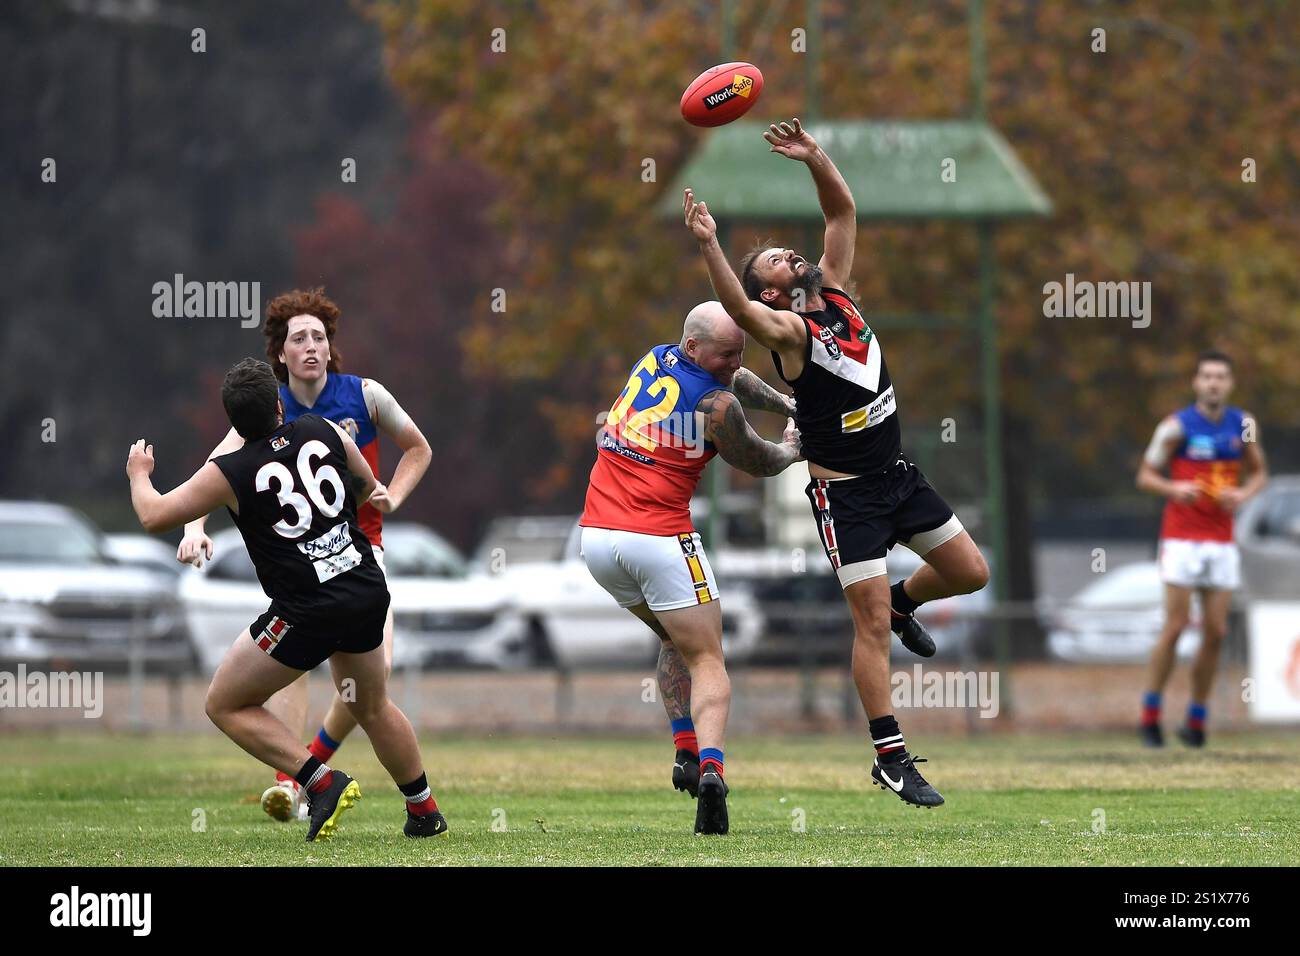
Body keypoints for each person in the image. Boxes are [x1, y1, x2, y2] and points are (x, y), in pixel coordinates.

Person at [683, 118, 992, 808]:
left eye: (794, 255)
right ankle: (890, 756)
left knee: (971, 572)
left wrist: (814, 156)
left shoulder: (840, 293)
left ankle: (910, 605)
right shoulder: (790, 333)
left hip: (897, 476)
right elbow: (734, 302)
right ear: (772, 296)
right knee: (870, 624)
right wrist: (709, 245)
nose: (797, 261)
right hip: (845, 496)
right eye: (782, 265)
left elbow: (842, 211)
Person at [128, 358, 447, 840]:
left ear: (233, 423)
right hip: (363, 587)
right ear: (279, 404)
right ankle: (425, 813)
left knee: (225, 704)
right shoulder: (324, 429)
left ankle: (320, 783)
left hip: (307, 609)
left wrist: (139, 473)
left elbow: (154, 516)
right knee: (372, 705)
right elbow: (365, 489)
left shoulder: (227, 470)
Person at [177, 288, 431, 822]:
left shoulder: (363, 395)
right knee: (294, 670)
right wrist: (195, 528)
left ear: (330, 347)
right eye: (300, 338)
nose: (312, 346)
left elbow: (418, 447)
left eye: (320, 336)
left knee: (368, 684)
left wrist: (393, 495)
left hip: (359, 556)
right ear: (281, 353)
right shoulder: (265, 408)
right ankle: (295, 784)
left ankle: (314, 770)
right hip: (297, 568)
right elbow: (212, 473)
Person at [579, 301, 801, 834]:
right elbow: (757, 461)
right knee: (708, 657)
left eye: (738, 354)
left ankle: (683, 748)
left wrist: (787, 403)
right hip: (657, 538)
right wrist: (791, 447)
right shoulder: (717, 406)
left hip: (597, 541)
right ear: (696, 349)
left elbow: (736, 377)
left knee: (675, 640)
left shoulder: (654, 358)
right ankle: (712, 773)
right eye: (725, 355)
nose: (732, 364)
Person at [1135, 349, 1268, 747]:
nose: (1213, 383)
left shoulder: (1242, 426)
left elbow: (1259, 472)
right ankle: (1150, 714)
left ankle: (1196, 719)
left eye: (1221, 377)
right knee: (1175, 626)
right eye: (1207, 376)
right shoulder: (1176, 427)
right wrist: (1173, 488)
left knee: (1215, 632)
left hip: (1221, 541)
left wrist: (1243, 493)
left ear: (1230, 383)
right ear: (1197, 382)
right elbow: (1145, 475)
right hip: (1182, 539)